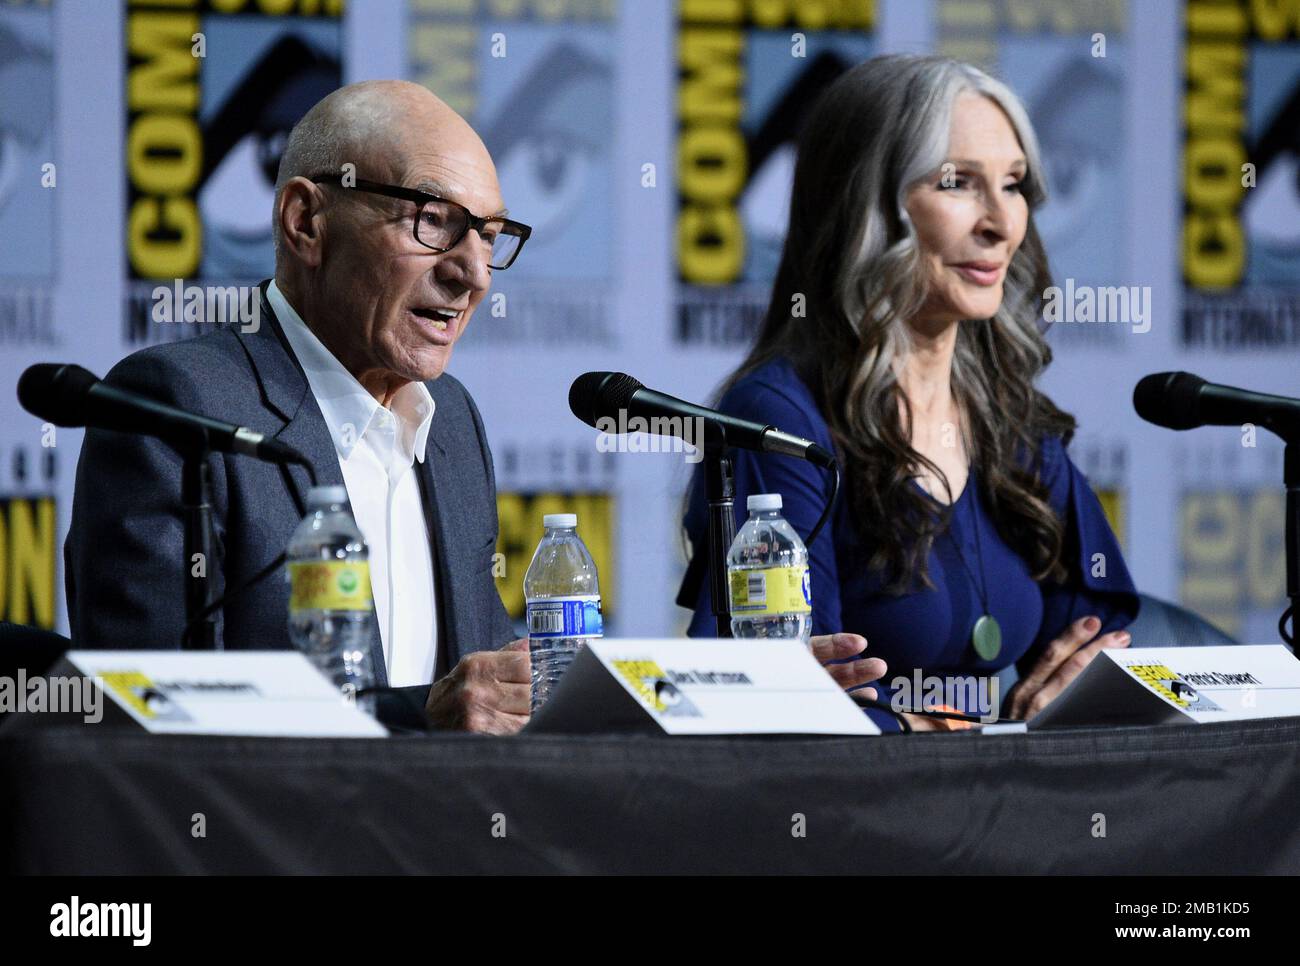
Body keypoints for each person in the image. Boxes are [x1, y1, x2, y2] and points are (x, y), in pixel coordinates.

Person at [66, 81, 885, 733]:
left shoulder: (450, 420)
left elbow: (498, 688)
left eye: (490, 236)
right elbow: (145, 709)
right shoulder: (177, 407)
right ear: (306, 220)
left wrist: (735, 695)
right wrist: (417, 716)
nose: (474, 273)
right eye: (433, 223)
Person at [681, 55, 1140, 730]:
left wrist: (1074, 696)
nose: (1001, 223)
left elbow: (1102, 638)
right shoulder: (778, 420)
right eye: (958, 183)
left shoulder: (1009, 417)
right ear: (870, 204)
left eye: (1012, 186)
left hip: (1000, 807)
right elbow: (789, 704)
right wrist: (923, 733)